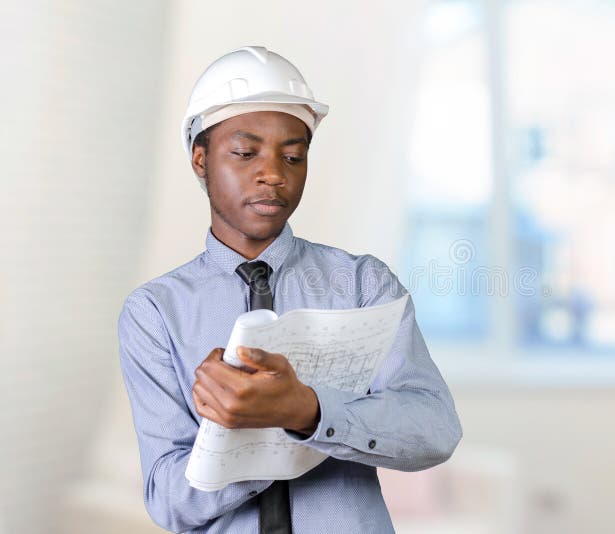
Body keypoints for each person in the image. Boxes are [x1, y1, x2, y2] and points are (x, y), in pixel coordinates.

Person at [118, 46, 462, 534]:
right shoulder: (154, 312)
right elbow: (168, 500)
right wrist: (250, 437)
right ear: (200, 159)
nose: (274, 174)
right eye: (244, 152)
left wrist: (308, 411)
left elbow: (435, 429)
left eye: (294, 156)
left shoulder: (362, 285)